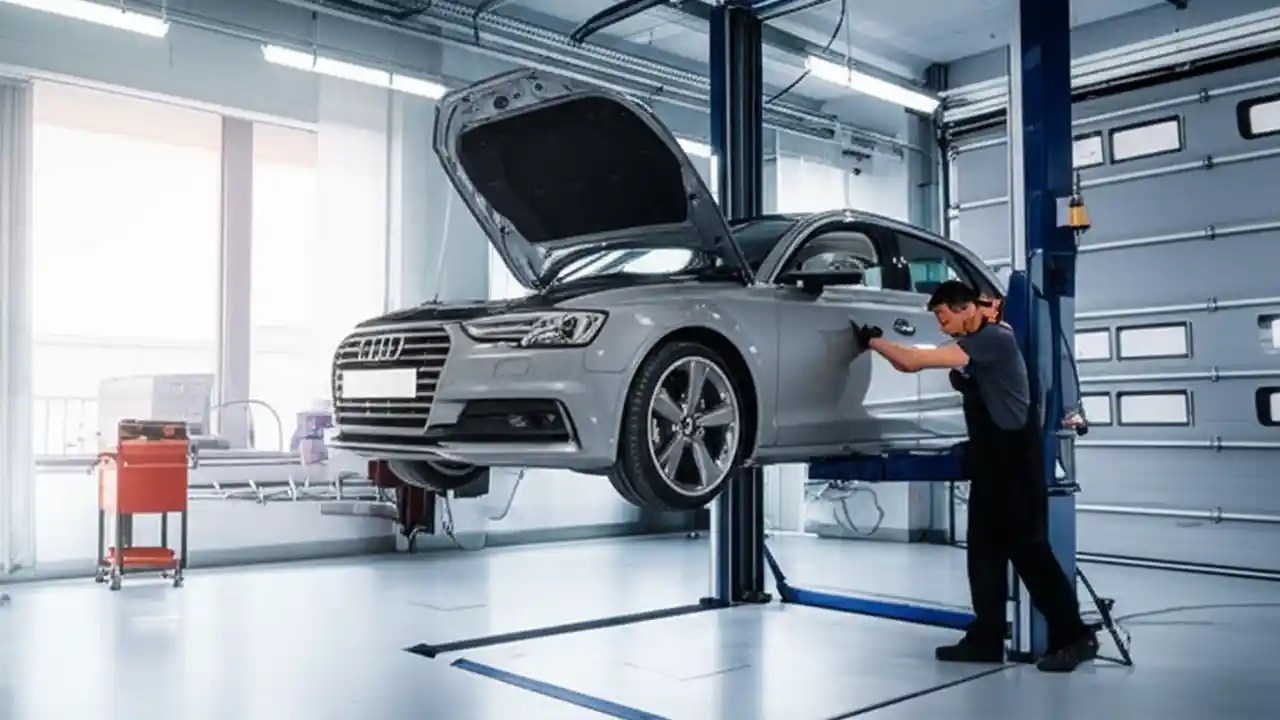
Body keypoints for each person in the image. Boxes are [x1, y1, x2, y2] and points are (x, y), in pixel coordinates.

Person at [850, 280, 1097, 673]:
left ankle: (1076, 637)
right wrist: (878, 347)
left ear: (967, 308)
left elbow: (913, 360)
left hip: (1015, 462)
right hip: (990, 461)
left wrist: (872, 342)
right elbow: (907, 362)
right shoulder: (975, 345)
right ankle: (985, 638)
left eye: (945, 316)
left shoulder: (994, 338)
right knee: (984, 554)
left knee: (1030, 553)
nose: (942, 325)